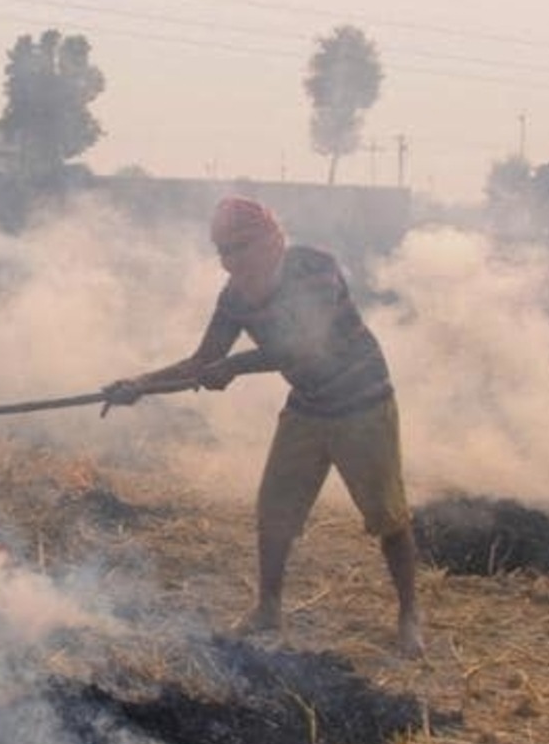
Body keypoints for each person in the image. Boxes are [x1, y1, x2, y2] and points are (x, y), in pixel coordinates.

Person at [103, 195, 425, 658]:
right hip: (309, 406)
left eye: (240, 247)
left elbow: (304, 346)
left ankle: (409, 614)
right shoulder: (234, 298)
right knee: (274, 511)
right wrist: (139, 385)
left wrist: (233, 367)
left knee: (387, 516)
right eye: (223, 251)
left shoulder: (314, 268)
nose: (231, 261)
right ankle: (269, 609)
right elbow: (202, 361)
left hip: (363, 402)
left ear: (273, 239)